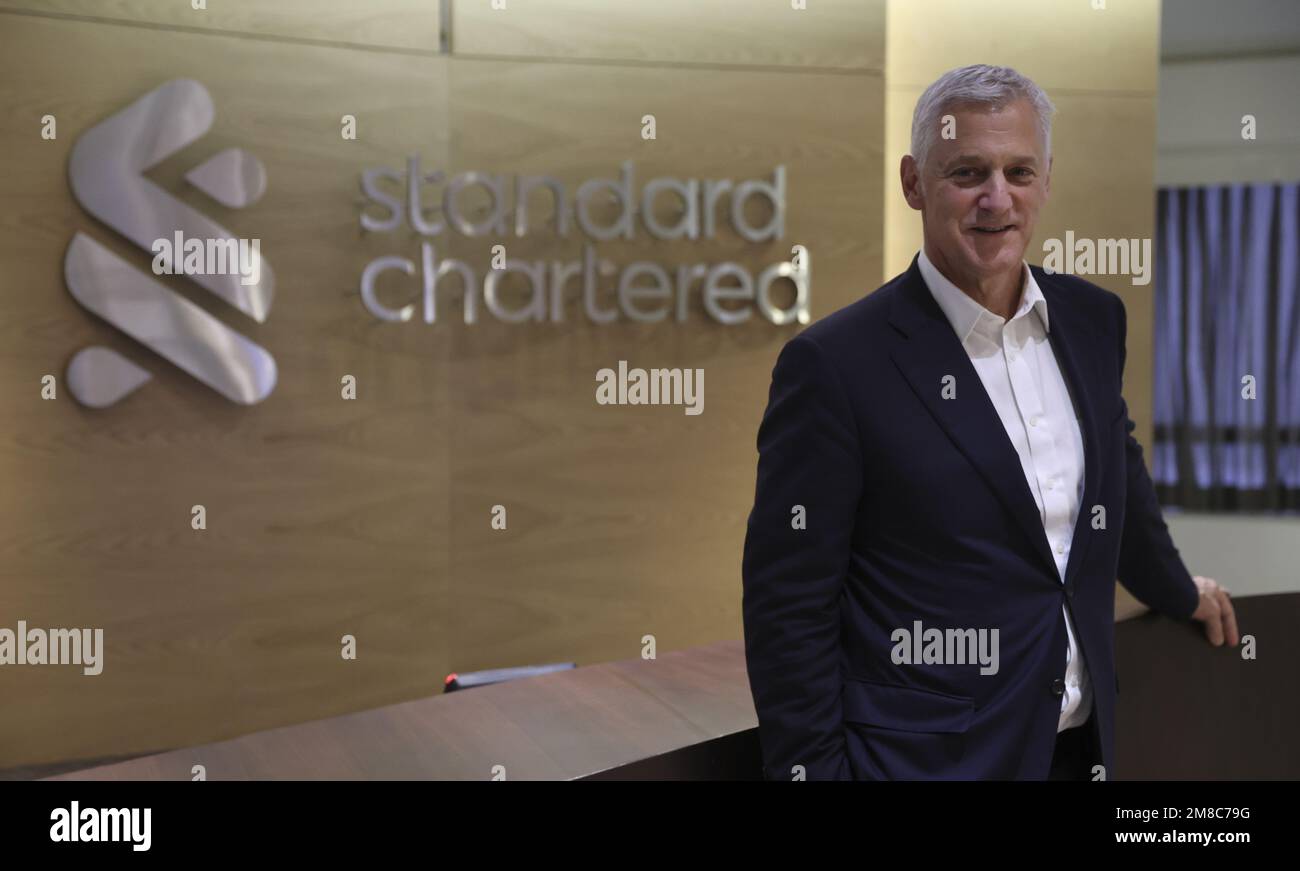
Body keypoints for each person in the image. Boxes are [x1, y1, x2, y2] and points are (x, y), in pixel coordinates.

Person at [741, 64, 1240, 781]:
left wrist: (1178, 590)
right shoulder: (835, 365)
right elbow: (788, 602)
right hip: (925, 764)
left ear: (1046, 180)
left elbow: (1115, 480)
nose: (996, 199)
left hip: (1080, 747)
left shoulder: (1094, 321)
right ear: (915, 183)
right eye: (968, 172)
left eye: (1019, 171)